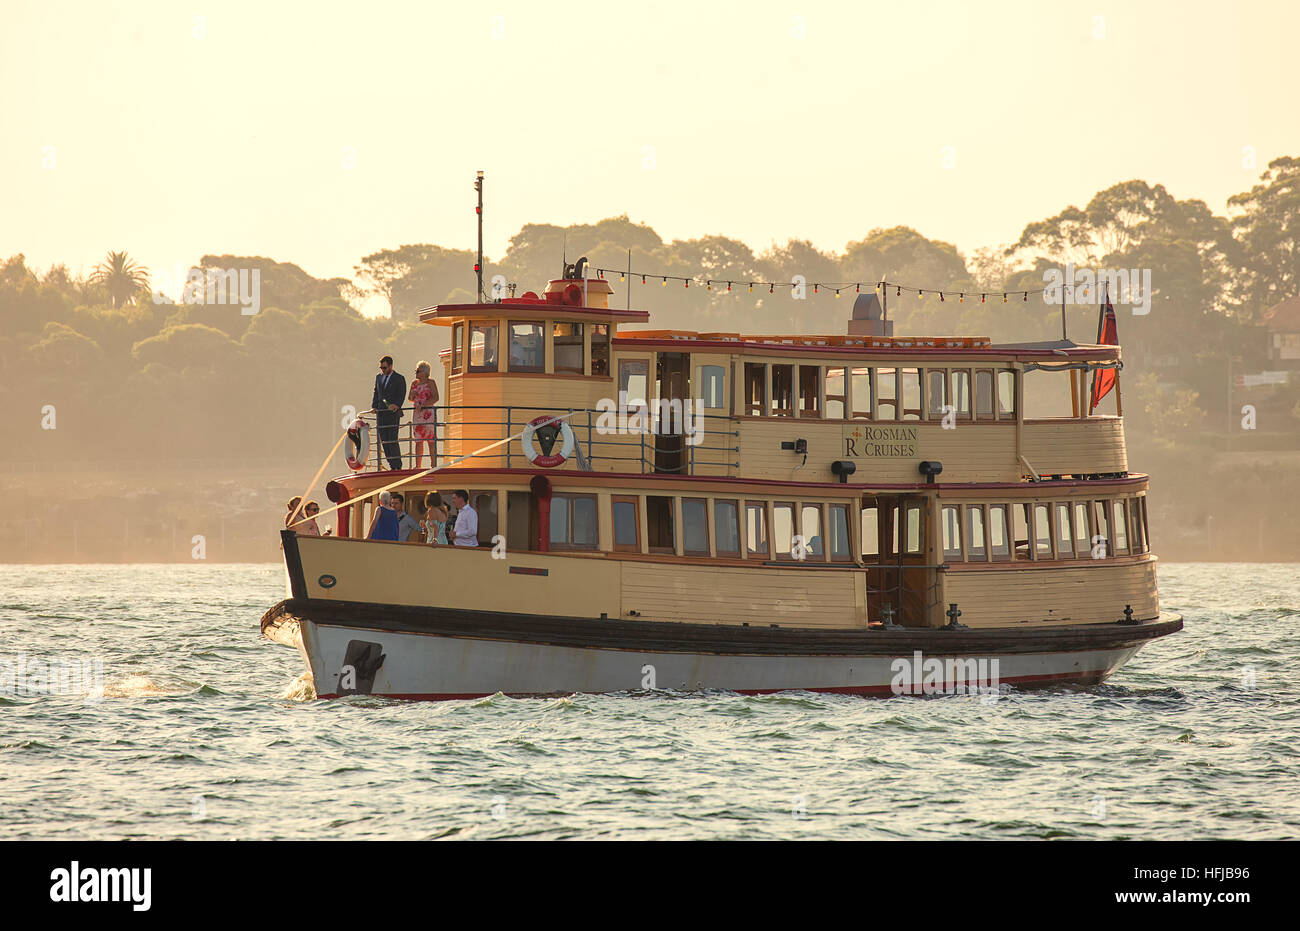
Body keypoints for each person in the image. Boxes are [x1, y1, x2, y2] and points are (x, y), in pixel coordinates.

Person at [371, 356, 407, 471]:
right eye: (381, 368)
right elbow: (376, 392)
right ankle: (391, 464)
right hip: (381, 414)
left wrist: (396, 405)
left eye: (385, 368)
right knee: (384, 441)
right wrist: (374, 406)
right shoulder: (378, 377)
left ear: (391, 366)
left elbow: (401, 394)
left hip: (393, 414)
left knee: (392, 439)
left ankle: (397, 465)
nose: (383, 370)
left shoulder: (399, 378)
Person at [408, 361, 439, 470]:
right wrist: (412, 395)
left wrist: (424, 405)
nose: (416, 373)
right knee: (418, 440)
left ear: (425, 373)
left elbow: (435, 397)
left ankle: (433, 464)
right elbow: (410, 398)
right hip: (417, 414)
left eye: (418, 371)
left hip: (428, 413)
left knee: (431, 439)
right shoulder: (414, 383)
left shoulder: (431, 383)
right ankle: (418, 465)